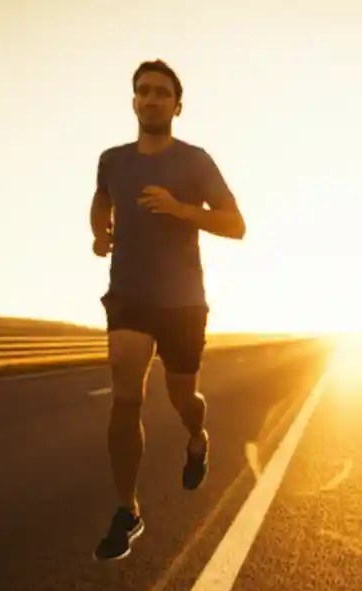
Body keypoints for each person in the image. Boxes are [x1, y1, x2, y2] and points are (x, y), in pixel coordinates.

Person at [89, 59, 246, 561]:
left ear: (177, 106)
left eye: (162, 92)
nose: (151, 99)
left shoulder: (195, 161)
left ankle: (197, 435)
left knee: (183, 397)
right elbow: (101, 199)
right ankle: (127, 510)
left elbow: (235, 223)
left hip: (182, 301)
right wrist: (99, 233)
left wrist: (180, 209)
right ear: (133, 101)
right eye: (143, 91)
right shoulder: (113, 160)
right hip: (129, 294)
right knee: (125, 393)